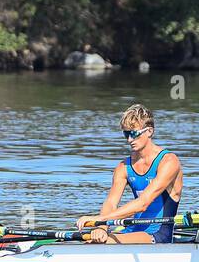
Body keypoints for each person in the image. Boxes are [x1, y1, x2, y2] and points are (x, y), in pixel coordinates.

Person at [78, 104, 183, 244]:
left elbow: (143, 203)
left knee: (100, 243)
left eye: (134, 133)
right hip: (132, 229)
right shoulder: (123, 167)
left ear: (149, 131)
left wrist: (100, 219)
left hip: (158, 234)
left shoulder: (169, 161)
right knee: (91, 240)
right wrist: (101, 227)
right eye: (126, 134)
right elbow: (111, 202)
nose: (129, 140)